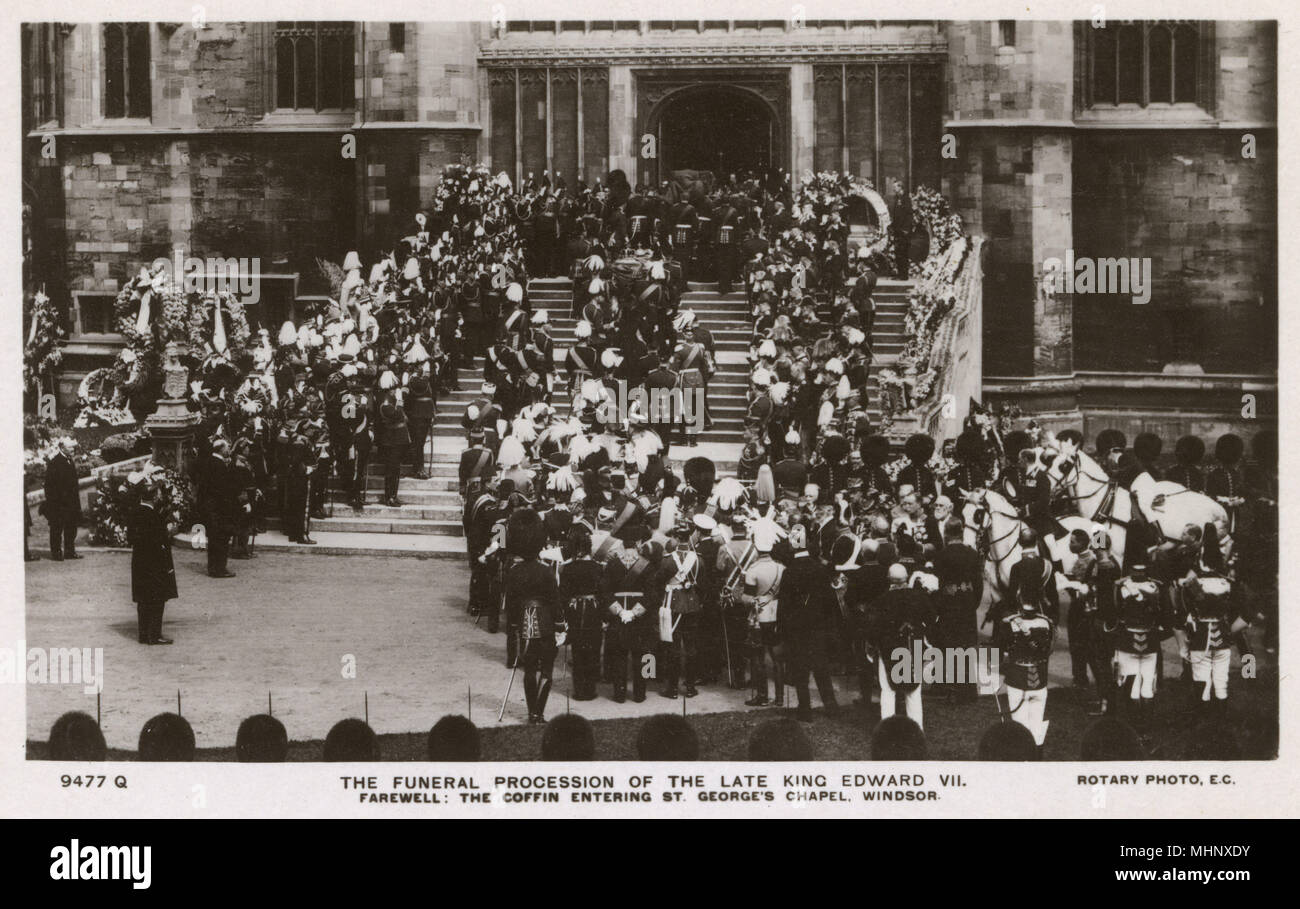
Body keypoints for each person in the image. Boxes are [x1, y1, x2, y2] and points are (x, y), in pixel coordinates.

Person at [776, 523, 840, 720]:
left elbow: (784, 605)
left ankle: (805, 709)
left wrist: (782, 629)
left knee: (800, 670)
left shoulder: (789, 572)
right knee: (821, 668)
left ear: (792, 545)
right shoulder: (819, 569)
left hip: (797, 628)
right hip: (818, 626)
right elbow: (830, 601)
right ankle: (831, 706)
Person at [866, 563, 936, 728]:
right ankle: (917, 730)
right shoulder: (919, 597)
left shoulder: (881, 600)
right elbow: (932, 618)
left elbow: (873, 629)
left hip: (889, 649)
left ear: (889, 579)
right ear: (906, 578)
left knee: (888, 691)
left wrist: (873, 645)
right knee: (913, 693)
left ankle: (887, 731)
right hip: (913, 646)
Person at [995, 593, 1055, 754]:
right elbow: (1048, 650)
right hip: (1039, 682)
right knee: (1037, 728)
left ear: (1020, 602)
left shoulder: (1009, 623)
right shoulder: (1047, 623)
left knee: (1020, 730)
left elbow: (999, 649)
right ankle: (1037, 758)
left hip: (1017, 681)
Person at [932, 519, 983, 703]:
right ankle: (969, 690)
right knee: (967, 645)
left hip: (949, 604)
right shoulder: (972, 554)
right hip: (967, 603)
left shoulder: (941, 555)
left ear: (946, 533)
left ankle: (953, 689)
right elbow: (978, 584)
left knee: (950, 645)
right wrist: (973, 602)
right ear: (961, 532)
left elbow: (938, 583)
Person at [739, 521, 785, 707]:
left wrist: (741, 595)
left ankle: (762, 696)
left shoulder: (753, 570)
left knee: (758, 657)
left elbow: (747, 598)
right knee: (777, 658)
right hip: (776, 613)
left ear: (757, 548)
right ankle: (780, 698)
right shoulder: (781, 567)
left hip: (760, 616)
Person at [559, 526, 607, 701]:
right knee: (593, 649)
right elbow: (603, 594)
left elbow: (563, 595)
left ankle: (579, 690)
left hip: (576, 610)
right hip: (594, 611)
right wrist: (604, 617)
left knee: (578, 651)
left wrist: (566, 615)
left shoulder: (568, 568)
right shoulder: (598, 568)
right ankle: (590, 689)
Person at [129, 477, 177, 645]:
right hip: (155, 563)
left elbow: (131, 537)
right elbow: (158, 541)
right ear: (154, 497)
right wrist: (168, 532)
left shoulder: (136, 512)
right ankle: (154, 635)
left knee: (143, 599)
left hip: (139, 563)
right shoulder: (153, 516)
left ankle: (144, 634)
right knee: (157, 599)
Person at [198, 437, 238, 578]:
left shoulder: (209, 462)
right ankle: (219, 568)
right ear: (221, 449)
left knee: (214, 539)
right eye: (227, 448)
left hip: (210, 508)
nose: (229, 450)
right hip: (219, 509)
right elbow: (222, 489)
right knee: (221, 538)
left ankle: (213, 567)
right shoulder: (219, 465)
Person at [42, 437, 82, 561]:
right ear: (62, 448)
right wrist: (54, 503)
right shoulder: (55, 462)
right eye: (70, 447)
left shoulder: (69, 461)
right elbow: (49, 486)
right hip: (59, 504)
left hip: (71, 502)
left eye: (73, 447)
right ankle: (56, 552)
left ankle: (69, 551)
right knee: (57, 528)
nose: (73, 449)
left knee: (71, 527)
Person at [376, 394, 410, 507]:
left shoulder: (393, 399)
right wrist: (399, 403)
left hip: (398, 439)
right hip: (391, 440)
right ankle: (389, 497)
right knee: (391, 470)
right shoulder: (386, 401)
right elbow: (396, 415)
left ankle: (393, 496)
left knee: (396, 470)